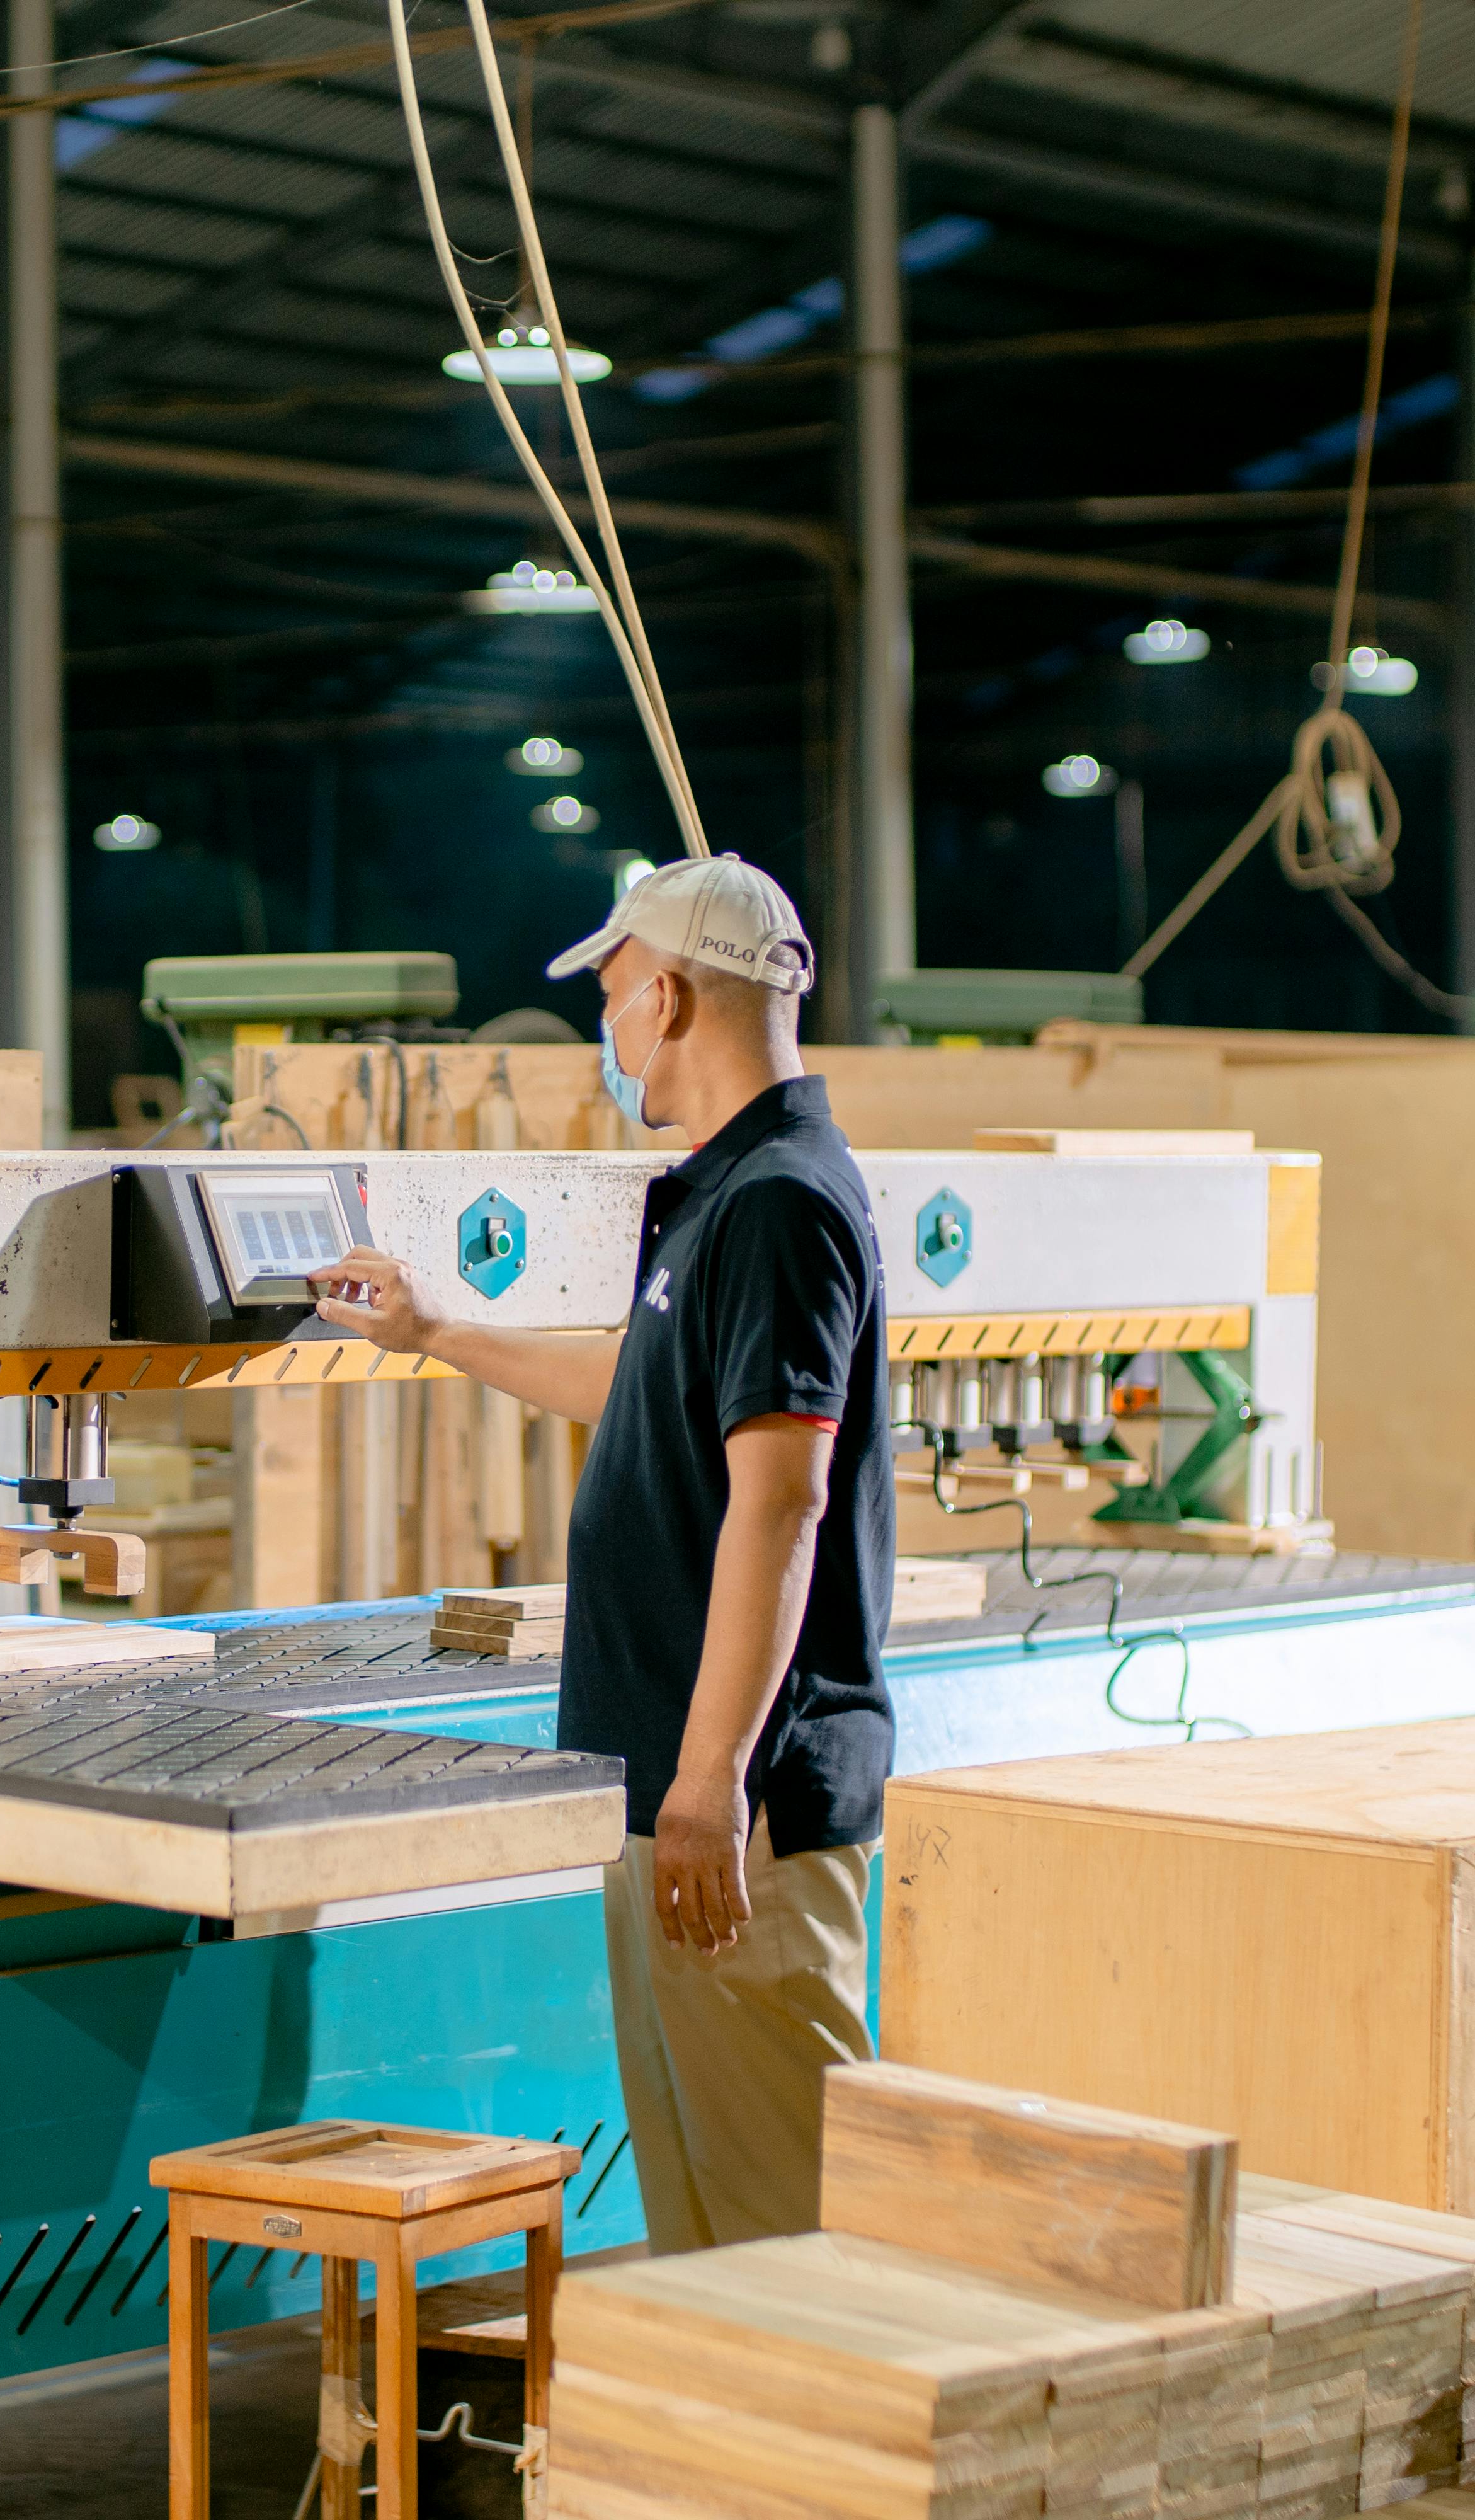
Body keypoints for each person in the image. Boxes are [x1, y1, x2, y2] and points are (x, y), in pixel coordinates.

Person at [312, 854, 892, 2252]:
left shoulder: (780, 1202)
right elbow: (639, 1387)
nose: (609, 1027)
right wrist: (434, 1331)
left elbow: (784, 1504)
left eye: (616, 996)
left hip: (736, 1808)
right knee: (707, 2239)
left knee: (791, 2244)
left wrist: (710, 1775)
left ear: (672, 998)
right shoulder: (724, 1193)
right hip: (672, 1790)